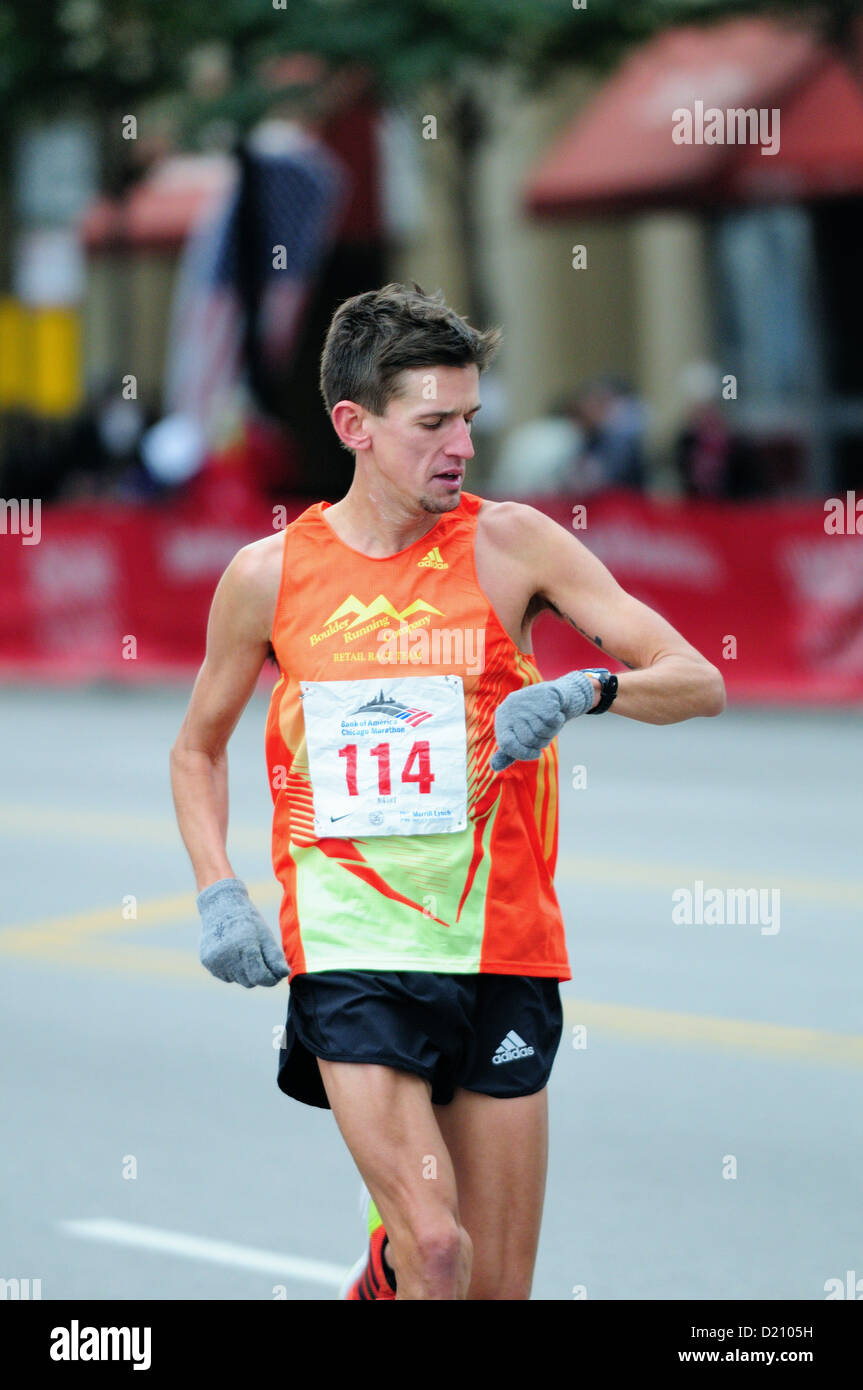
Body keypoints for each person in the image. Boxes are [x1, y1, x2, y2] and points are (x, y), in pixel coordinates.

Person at [169, 283, 725, 1301]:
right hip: (351, 954)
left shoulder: (513, 545)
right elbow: (196, 749)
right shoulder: (267, 575)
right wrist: (217, 890)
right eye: (432, 423)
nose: (459, 446)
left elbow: (697, 678)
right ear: (354, 426)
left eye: (468, 419)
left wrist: (582, 690)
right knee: (435, 1249)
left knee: (491, 1290)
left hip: (501, 945)